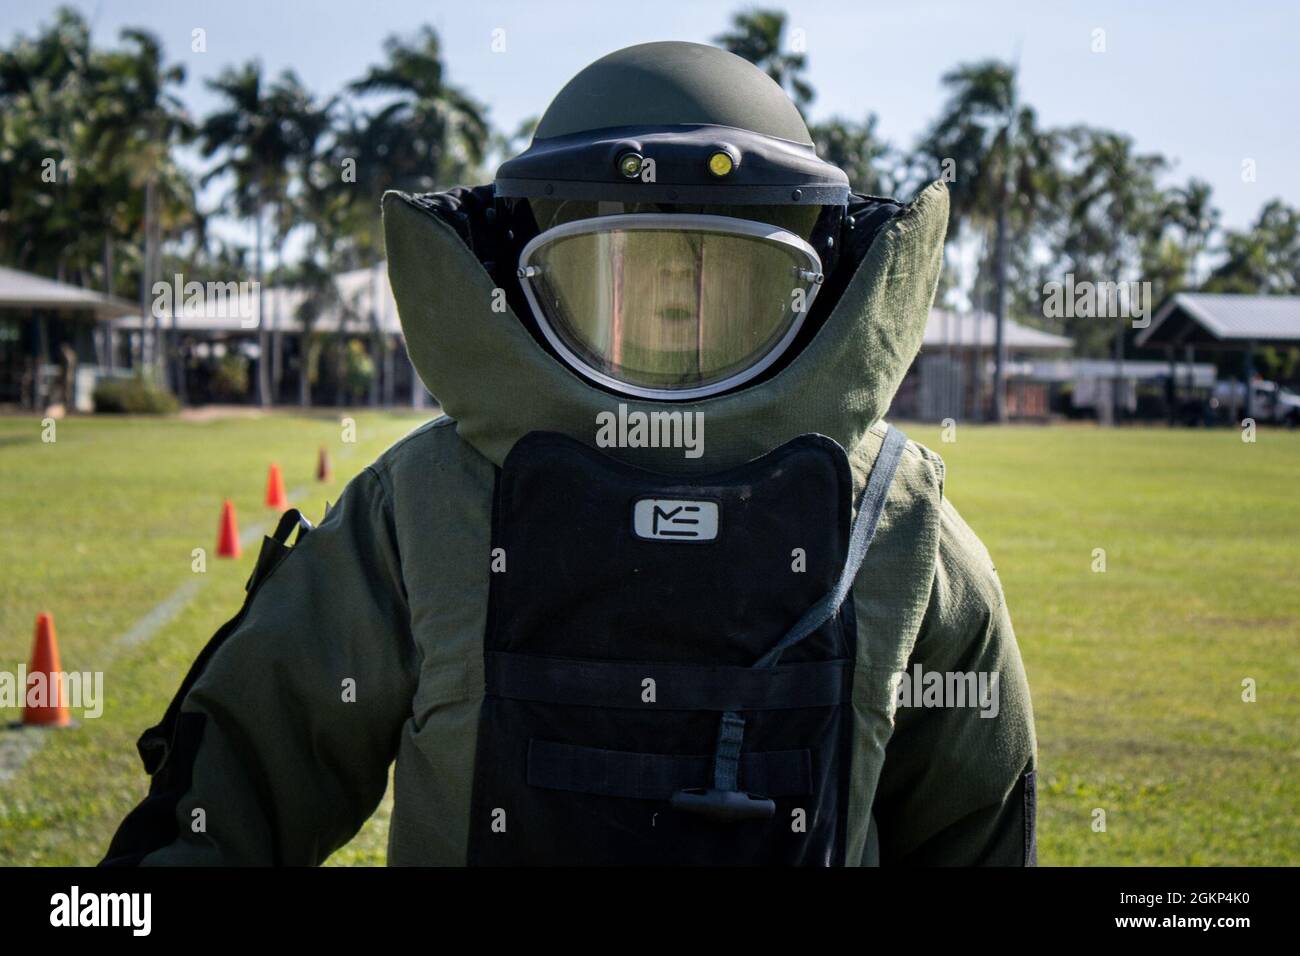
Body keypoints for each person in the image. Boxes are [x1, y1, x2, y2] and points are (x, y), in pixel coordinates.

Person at [104, 40, 1036, 866]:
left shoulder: (900, 523)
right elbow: (239, 787)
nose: (678, 309)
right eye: (621, 275)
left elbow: (974, 821)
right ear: (525, 277)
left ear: (817, 287)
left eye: (728, 280)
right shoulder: (425, 504)